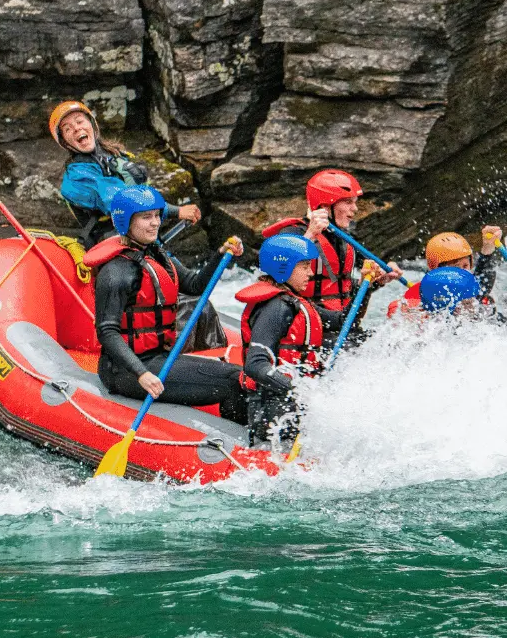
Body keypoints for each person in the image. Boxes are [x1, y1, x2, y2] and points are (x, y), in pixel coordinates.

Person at [88, 185, 248, 422]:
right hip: (126, 371)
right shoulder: (116, 271)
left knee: (241, 377)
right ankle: (243, 441)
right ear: (126, 221)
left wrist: (220, 254)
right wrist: (141, 374)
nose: (155, 223)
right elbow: (107, 332)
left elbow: (195, 285)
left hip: (158, 358)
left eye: (156, 215)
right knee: (235, 380)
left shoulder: (156, 255)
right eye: (146, 217)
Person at [234, 234, 347, 446]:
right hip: (272, 409)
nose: (311, 273)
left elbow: (344, 321)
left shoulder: (295, 303)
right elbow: (255, 364)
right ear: (283, 268)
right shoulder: (275, 308)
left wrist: (370, 286)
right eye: (304, 267)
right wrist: (297, 389)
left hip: (292, 400)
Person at [263, 169, 402, 333]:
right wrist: (310, 234)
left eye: (355, 202)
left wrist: (376, 280)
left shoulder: (343, 238)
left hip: (342, 324)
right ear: (325, 206)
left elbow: (343, 288)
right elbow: (278, 275)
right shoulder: (293, 233)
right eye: (348, 202)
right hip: (309, 325)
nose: (355, 209)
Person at [50, 100, 201, 249]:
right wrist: (177, 211)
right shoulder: (77, 177)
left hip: (139, 232)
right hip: (113, 244)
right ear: (65, 143)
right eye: (67, 129)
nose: (76, 128)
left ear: (92, 125)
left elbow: (142, 191)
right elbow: (121, 202)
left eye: (80, 121)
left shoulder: (113, 154)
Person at [388, 227, 504, 317]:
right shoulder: (422, 293)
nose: (462, 272)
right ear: (437, 271)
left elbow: (483, 284)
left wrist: (488, 250)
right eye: (455, 268)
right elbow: (395, 311)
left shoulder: (473, 291)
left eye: (465, 266)